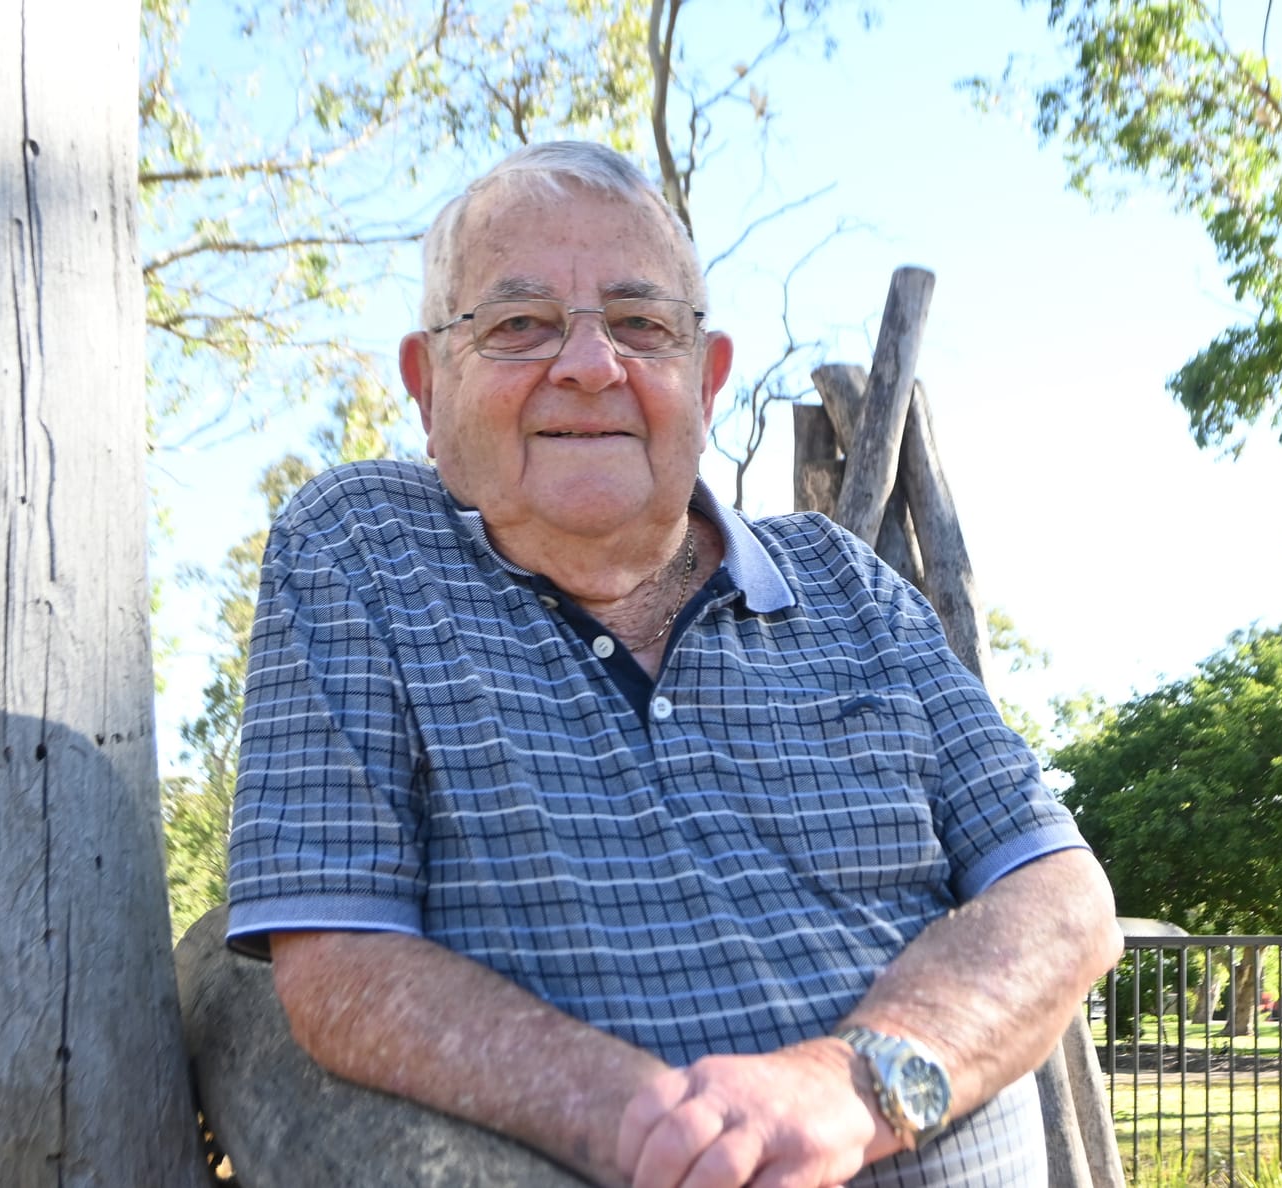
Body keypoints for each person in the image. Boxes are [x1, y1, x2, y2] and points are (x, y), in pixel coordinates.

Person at [225, 140, 1123, 1188]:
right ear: (429, 388)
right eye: (519, 324)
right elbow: (339, 960)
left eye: (642, 325)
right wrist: (662, 1130)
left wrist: (851, 1086)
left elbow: (1061, 899)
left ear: (707, 379)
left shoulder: (844, 580)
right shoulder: (362, 551)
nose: (591, 365)